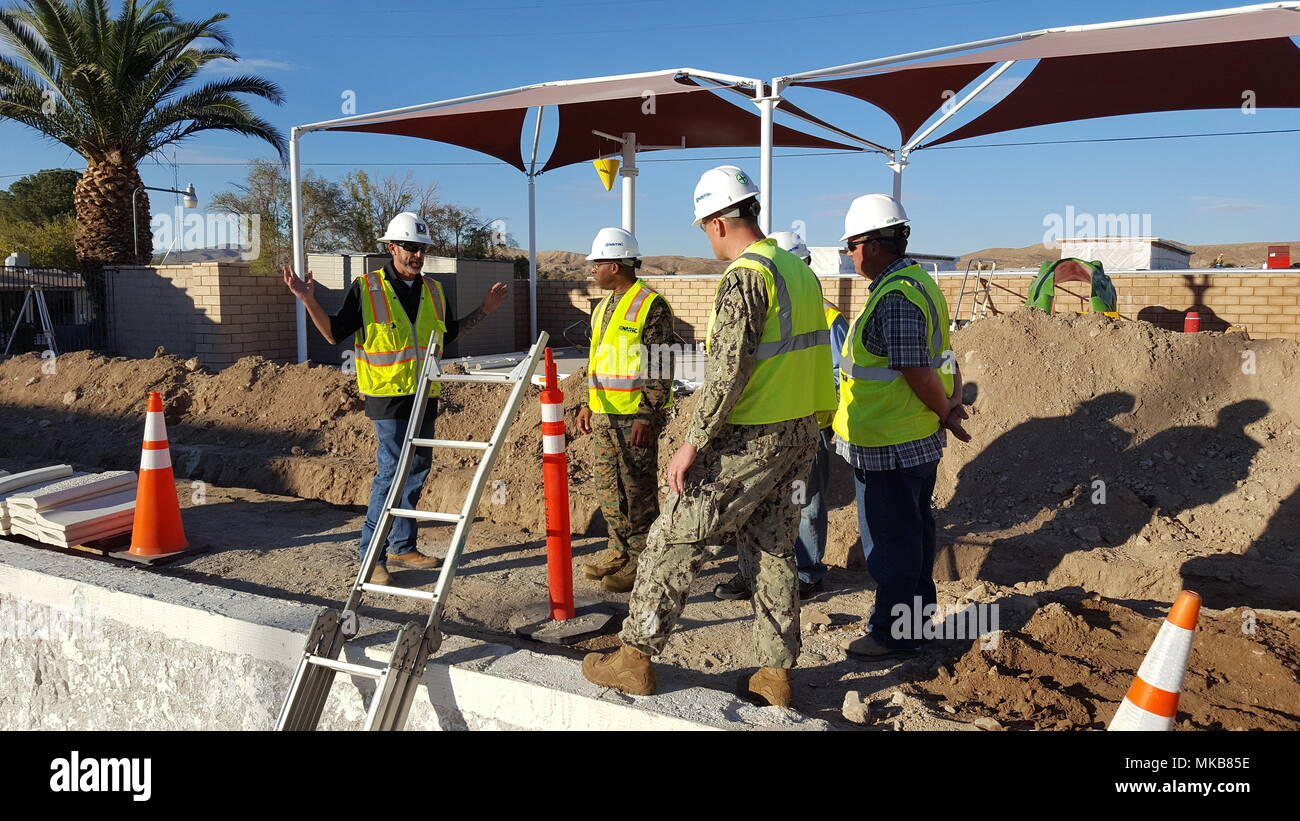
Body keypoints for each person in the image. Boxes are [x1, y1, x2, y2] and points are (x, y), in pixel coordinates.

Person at [581, 166, 836, 707]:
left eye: (703, 226)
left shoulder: (746, 276)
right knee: (772, 551)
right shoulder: (798, 269)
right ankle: (775, 674)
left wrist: (693, 441)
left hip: (750, 436)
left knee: (672, 539)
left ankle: (634, 658)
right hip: (799, 433)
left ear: (718, 221)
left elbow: (727, 371)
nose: (706, 236)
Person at [283, 212, 508, 586]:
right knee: (390, 474)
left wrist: (485, 310)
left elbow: (446, 335)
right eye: (409, 247)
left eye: (421, 249)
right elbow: (333, 333)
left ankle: (403, 546)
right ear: (392, 248)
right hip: (387, 396)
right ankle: (371, 557)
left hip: (425, 392)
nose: (416, 255)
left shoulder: (434, 291)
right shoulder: (367, 287)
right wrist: (308, 300)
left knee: (416, 471)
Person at [831, 194, 970, 660]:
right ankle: (915, 623)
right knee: (914, 534)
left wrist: (946, 411)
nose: (849, 254)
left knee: (892, 543)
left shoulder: (894, 297)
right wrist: (946, 408)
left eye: (850, 244)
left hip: (889, 443)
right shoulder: (916, 284)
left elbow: (915, 369)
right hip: (911, 438)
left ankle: (894, 634)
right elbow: (940, 358)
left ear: (871, 244)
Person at [713, 230, 853, 602]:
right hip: (764, 426)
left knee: (803, 501)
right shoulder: (763, 302)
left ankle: (806, 572)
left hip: (808, 425)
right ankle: (752, 572)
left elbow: (842, 374)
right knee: (759, 504)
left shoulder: (828, 317)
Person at [575, 227, 675, 593]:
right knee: (608, 489)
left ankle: (642, 558)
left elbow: (661, 365)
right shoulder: (602, 307)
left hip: (635, 418)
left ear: (615, 265)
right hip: (604, 414)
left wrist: (647, 415)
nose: (591, 270)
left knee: (638, 492)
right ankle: (618, 550)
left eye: (596, 263)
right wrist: (588, 403)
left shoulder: (651, 305)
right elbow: (598, 359)